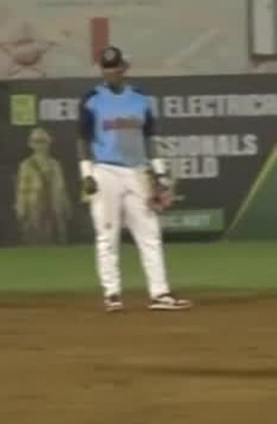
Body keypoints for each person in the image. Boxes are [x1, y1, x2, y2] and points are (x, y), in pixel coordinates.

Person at [76, 46, 189, 312]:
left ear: (124, 68)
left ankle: (159, 293)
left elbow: (150, 138)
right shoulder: (92, 99)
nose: (110, 72)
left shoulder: (140, 98)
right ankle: (112, 294)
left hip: (138, 171)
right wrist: (86, 174)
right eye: (106, 68)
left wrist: (159, 174)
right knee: (107, 235)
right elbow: (83, 138)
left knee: (150, 233)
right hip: (105, 171)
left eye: (115, 67)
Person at [14, 127, 72, 244]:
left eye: (42, 141)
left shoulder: (55, 165)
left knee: (57, 241)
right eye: (36, 142)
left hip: (55, 209)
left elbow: (61, 188)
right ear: (30, 144)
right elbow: (22, 190)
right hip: (35, 209)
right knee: (36, 241)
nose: (39, 145)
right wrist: (21, 211)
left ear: (48, 143)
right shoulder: (26, 165)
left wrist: (66, 206)